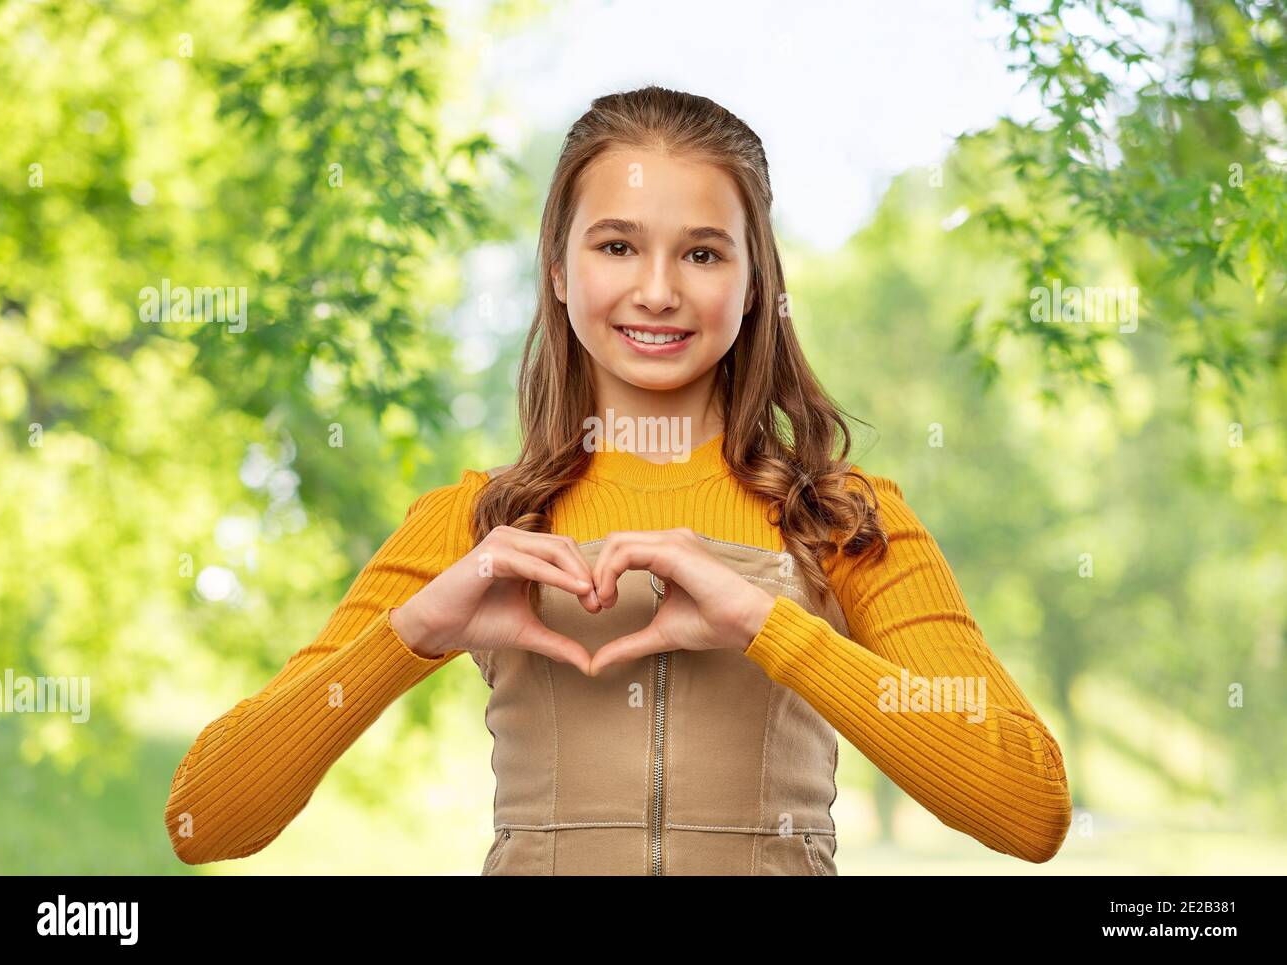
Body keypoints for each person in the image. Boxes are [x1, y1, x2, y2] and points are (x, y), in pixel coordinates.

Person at [164, 85, 1072, 874]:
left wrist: (770, 626)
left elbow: (1028, 808)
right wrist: (410, 633)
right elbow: (205, 817)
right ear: (558, 271)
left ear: (756, 285)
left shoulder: (840, 518)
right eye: (617, 247)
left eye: (704, 253)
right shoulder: (475, 521)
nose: (658, 290)